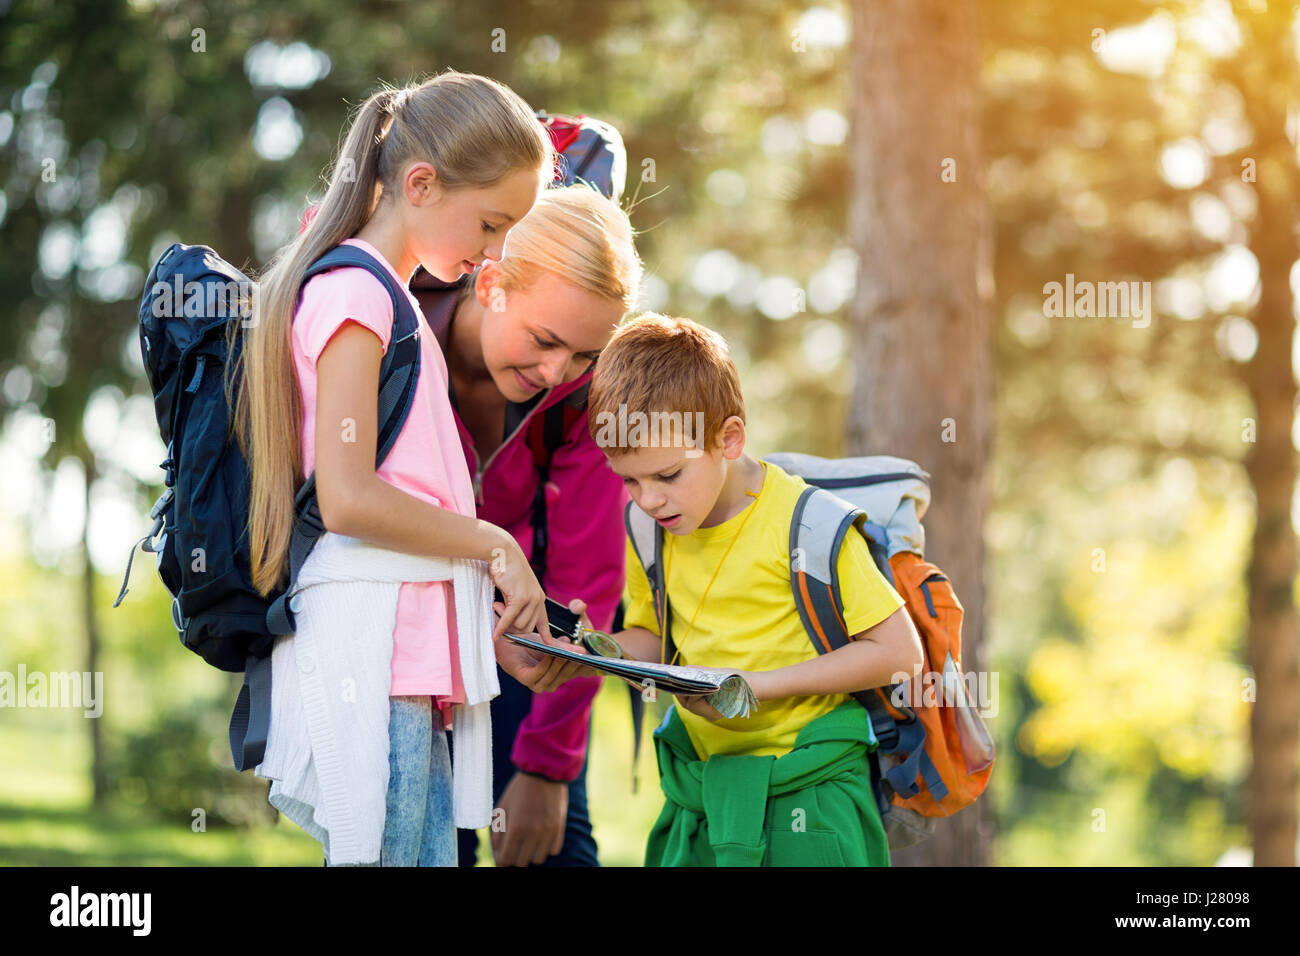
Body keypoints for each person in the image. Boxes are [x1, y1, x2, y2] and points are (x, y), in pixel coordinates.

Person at [240, 71, 589, 867]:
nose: (494, 254)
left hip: (408, 666)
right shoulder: (359, 298)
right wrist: (496, 545)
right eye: (493, 223)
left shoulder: (390, 301)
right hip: (376, 664)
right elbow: (351, 497)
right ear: (422, 184)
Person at [585, 314, 927, 866]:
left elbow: (899, 655)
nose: (647, 499)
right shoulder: (650, 526)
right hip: (700, 795)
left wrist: (753, 688)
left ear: (729, 438)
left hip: (812, 797)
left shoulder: (810, 525)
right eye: (629, 479)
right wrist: (593, 651)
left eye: (668, 475)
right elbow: (654, 634)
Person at [407, 183, 642, 866]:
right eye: (544, 341)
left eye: (582, 356)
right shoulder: (395, 334)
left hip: (528, 640)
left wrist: (548, 767)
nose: (555, 373)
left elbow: (588, 587)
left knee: (557, 846)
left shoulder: (586, 399)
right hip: (407, 637)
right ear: (491, 283)